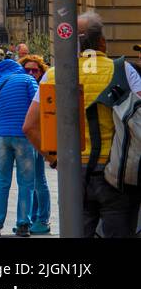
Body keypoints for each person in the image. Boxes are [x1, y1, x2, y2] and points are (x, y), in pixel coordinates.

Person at [24, 12, 141, 238]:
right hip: (117, 171)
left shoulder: (53, 75)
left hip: (74, 171)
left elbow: (29, 126)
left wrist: (55, 159)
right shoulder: (124, 70)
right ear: (102, 42)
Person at [0, 56, 39, 236]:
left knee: (1, 182)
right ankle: (23, 225)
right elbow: (38, 107)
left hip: (2, 138)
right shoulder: (28, 80)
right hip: (25, 138)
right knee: (26, 183)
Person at [19, 54, 53, 234]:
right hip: (28, 137)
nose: (32, 73)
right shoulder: (25, 86)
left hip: (41, 137)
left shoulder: (43, 86)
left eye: (35, 70)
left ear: (41, 71)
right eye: (27, 70)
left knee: (39, 179)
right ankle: (33, 217)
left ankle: (43, 218)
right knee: (30, 180)